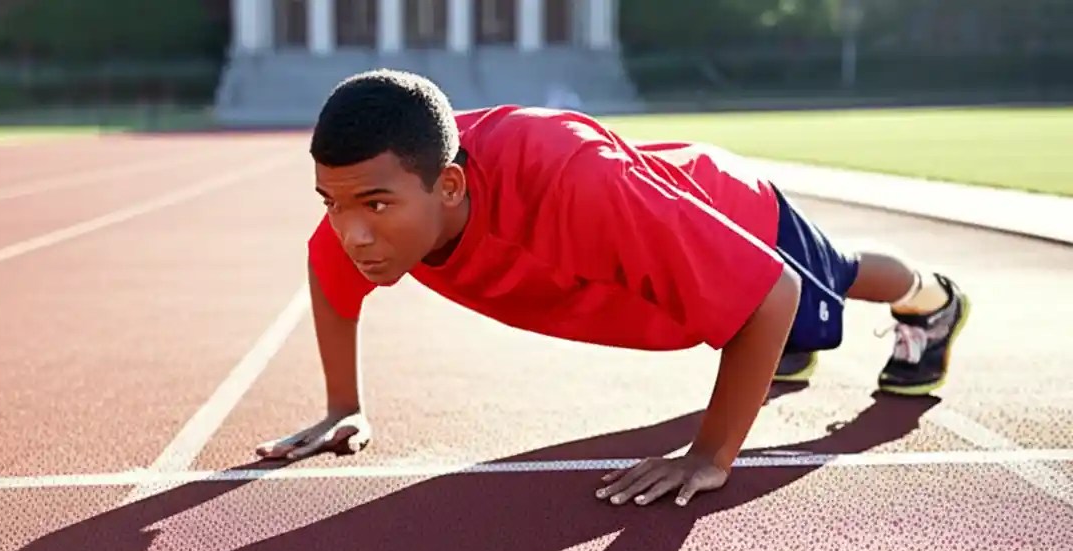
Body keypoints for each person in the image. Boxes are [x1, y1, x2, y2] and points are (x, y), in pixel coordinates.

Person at [255, 69, 971, 508]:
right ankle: (781, 353)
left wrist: (710, 456)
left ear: (448, 187)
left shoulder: (571, 179)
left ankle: (933, 301)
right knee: (757, 323)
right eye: (331, 204)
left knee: (831, 281)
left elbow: (773, 291)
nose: (352, 234)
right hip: (657, 251)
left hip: (732, 214)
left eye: (372, 207)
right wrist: (343, 406)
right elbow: (327, 270)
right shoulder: (368, 205)